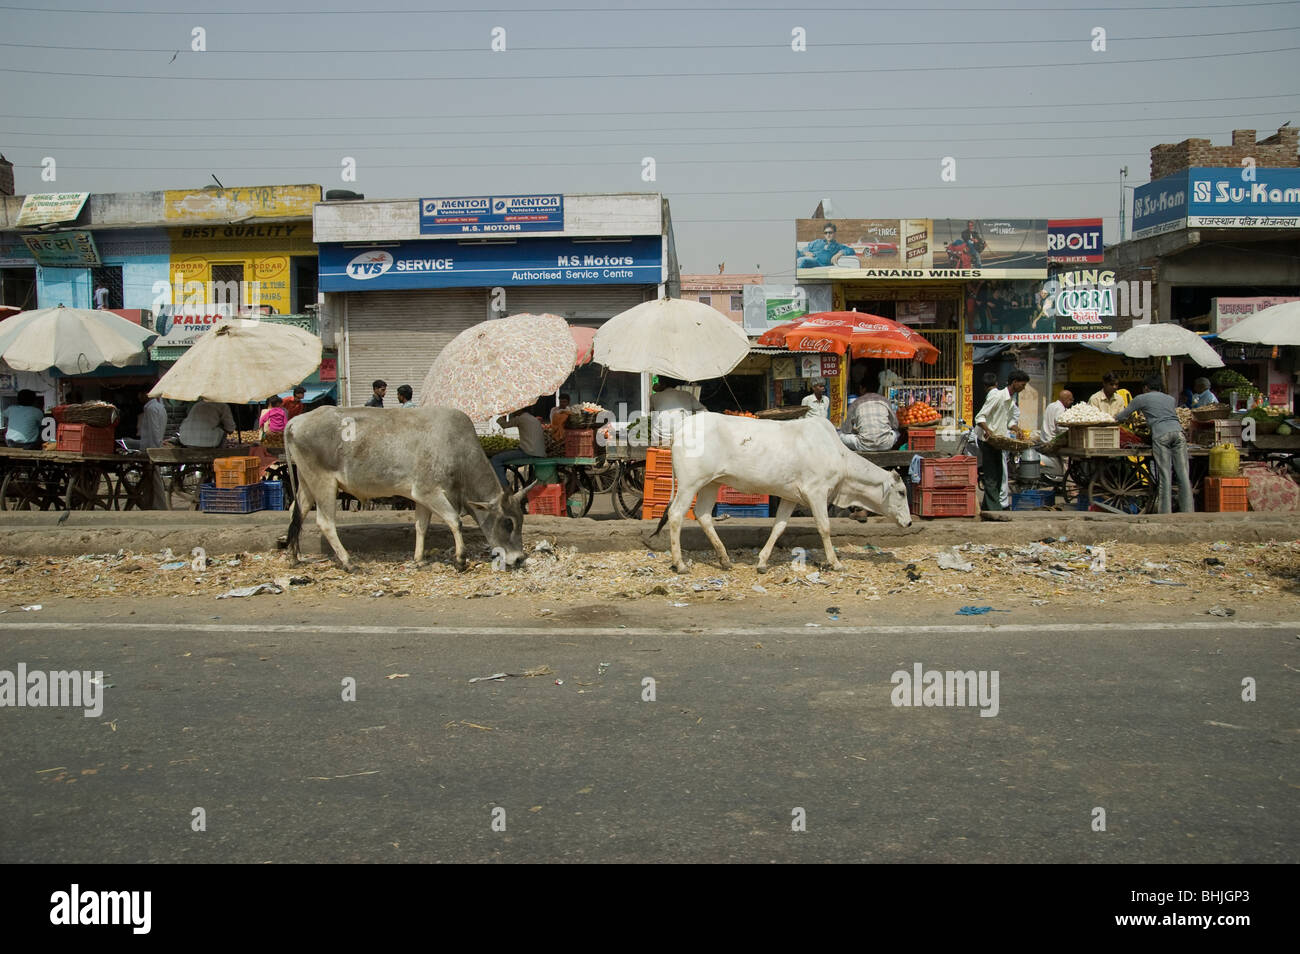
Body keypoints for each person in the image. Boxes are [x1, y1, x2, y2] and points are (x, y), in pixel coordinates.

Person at [1116, 375, 1193, 514]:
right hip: (1179, 434)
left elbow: (1122, 416)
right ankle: (1188, 512)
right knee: (1183, 474)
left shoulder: (1141, 398)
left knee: (1165, 475)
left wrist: (1111, 419)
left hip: (1161, 435)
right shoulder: (1170, 399)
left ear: (1146, 387)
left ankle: (1165, 513)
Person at [975, 369, 1030, 512]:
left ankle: (988, 506)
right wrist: (988, 430)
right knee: (992, 475)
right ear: (1014, 383)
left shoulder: (1012, 400)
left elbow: (1010, 422)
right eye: (1022, 385)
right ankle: (994, 509)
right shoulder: (997, 396)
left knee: (999, 475)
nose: (1023, 388)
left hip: (999, 442)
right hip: (988, 441)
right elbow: (980, 417)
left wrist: (1017, 430)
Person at [122, 387, 168, 508]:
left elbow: (155, 430)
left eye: (140, 394)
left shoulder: (151, 408)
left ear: (146, 394)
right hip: (152, 447)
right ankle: (150, 503)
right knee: (150, 478)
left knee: (154, 478)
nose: (138, 397)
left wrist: (153, 450)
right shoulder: (159, 407)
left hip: (151, 448)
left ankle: (159, 505)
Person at [491, 405, 547, 489]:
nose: (513, 412)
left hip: (528, 452)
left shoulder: (521, 418)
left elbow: (504, 425)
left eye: (515, 410)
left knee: (496, 459)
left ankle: (504, 487)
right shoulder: (533, 419)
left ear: (520, 410)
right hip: (539, 451)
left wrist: (500, 416)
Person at [649, 377, 705, 446]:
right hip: (682, 439)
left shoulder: (654, 397)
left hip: (659, 440)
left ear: (661, 383)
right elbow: (703, 411)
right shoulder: (687, 395)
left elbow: (652, 412)